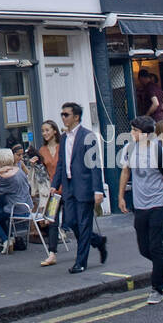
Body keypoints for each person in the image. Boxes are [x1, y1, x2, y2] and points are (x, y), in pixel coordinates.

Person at [118, 116, 163, 305]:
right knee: (144, 249)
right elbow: (125, 172)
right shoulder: (129, 149)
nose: (132, 133)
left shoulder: (160, 153)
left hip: (158, 205)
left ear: (146, 135)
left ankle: (156, 289)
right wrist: (120, 197)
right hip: (140, 206)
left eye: (135, 131)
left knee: (155, 247)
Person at [53, 102, 108, 274]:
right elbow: (61, 164)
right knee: (70, 222)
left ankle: (81, 262)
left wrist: (98, 190)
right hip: (68, 187)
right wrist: (55, 185)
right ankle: (98, 241)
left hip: (84, 187)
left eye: (66, 114)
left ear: (76, 117)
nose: (63, 117)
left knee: (84, 225)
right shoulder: (63, 138)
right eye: (62, 114)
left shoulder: (88, 136)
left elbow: (95, 165)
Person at [0, 149, 32, 252]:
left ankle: (6, 240)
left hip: (16, 209)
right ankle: (10, 238)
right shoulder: (19, 170)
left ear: (0, 161)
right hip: (27, 206)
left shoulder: (4, 176)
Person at [33, 120, 65, 266]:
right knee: (52, 221)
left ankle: (95, 240)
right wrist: (34, 164)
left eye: (47, 130)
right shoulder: (42, 151)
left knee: (74, 221)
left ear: (54, 131)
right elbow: (41, 174)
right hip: (53, 191)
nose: (45, 133)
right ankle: (52, 254)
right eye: (43, 131)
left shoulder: (62, 146)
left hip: (68, 189)